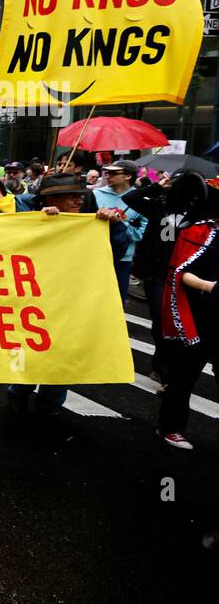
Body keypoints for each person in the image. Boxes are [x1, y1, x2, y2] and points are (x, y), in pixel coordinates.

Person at [7, 173, 122, 417]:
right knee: (30, 355)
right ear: (51, 199)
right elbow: (1, 234)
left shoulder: (94, 224)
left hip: (74, 305)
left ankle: (49, 409)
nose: (78, 200)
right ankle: (18, 391)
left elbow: (119, 248)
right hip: (35, 303)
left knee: (62, 359)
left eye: (80, 195)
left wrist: (114, 225)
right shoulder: (30, 219)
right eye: (70, 196)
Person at [124, 172, 213, 381]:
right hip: (159, 274)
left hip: (187, 275)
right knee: (160, 320)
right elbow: (130, 199)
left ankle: (174, 368)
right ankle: (163, 368)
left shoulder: (199, 211)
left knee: (182, 321)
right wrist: (157, 186)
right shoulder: (159, 205)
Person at [155, 209, 219, 450]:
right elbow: (182, 273)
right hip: (199, 316)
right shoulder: (199, 231)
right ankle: (170, 427)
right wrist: (211, 287)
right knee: (184, 376)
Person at [92, 160, 147, 303]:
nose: (108, 176)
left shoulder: (142, 199)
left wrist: (119, 223)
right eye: (107, 173)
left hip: (122, 259)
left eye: (114, 173)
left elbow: (141, 233)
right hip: (95, 254)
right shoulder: (95, 194)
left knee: (116, 302)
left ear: (128, 176)